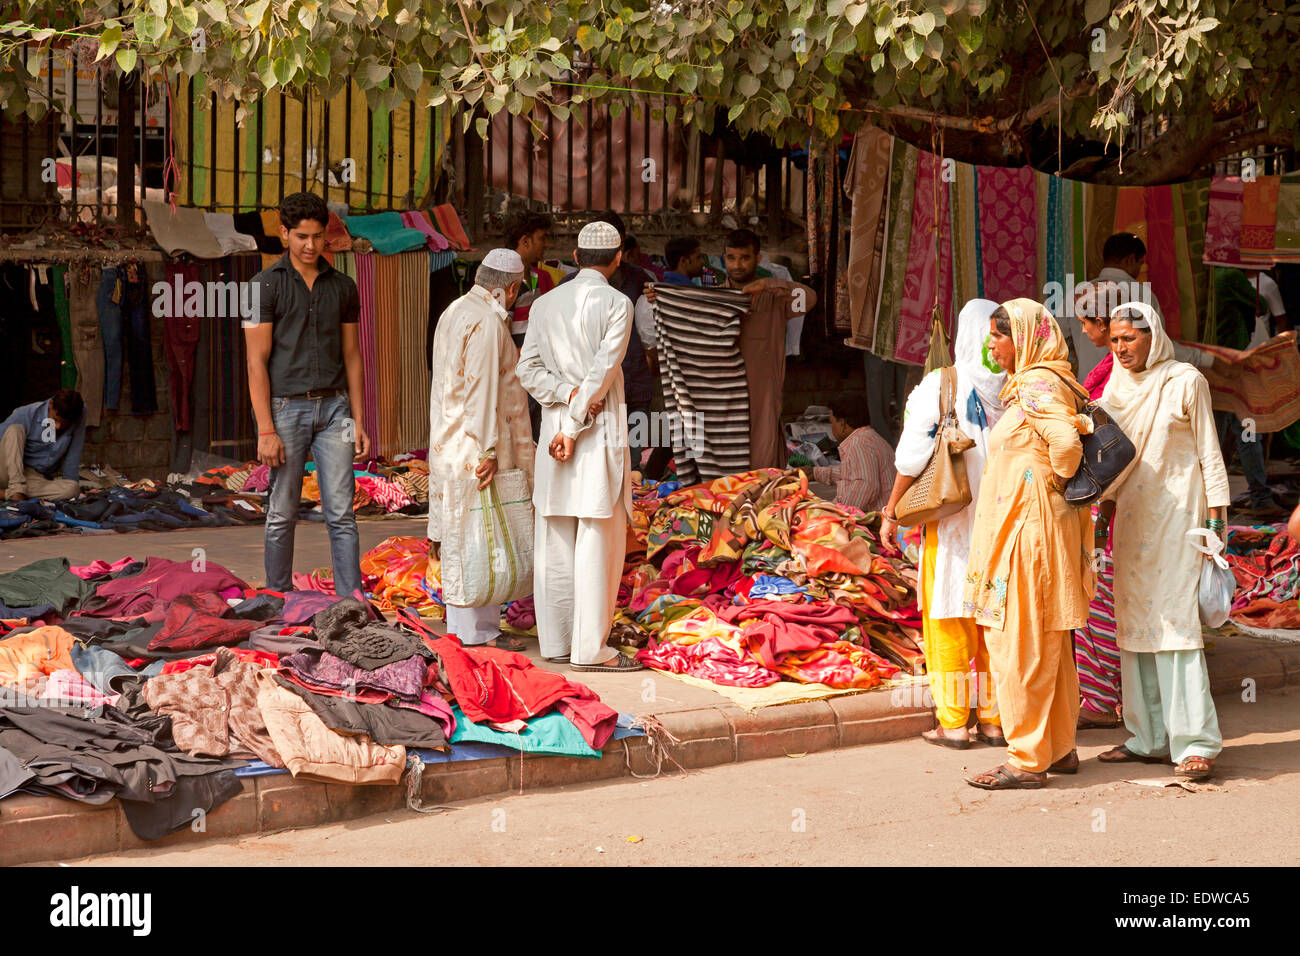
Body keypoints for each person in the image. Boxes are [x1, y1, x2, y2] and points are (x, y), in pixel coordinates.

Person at [963, 299, 1095, 790]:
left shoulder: (1037, 382)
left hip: (1029, 529)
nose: (991, 343)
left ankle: (1025, 759)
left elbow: (1064, 444)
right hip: (1038, 526)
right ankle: (1058, 748)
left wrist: (1049, 485)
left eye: (999, 335)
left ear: (1023, 338)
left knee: (1017, 641)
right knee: (1047, 638)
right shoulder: (1046, 379)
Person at [1095, 301, 1229, 781]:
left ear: (1153, 336)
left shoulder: (1185, 380)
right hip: (1131, 518)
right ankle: (1147, 738)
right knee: (1135, 625)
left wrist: (1217, 523)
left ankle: (1195, 743)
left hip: (1178, 518)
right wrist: (1103, 512)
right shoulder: (1114, 386)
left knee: (1175, 626)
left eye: (1129, 338)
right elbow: (1111, 460)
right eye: (1114, 340)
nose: (1120, 348)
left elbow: (1209, 452)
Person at [517, 219, 644, 672]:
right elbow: (602, 374)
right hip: (587, 432)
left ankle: (556, 642)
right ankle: (590, 649)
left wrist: (564, 404)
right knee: (595, 537)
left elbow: (527, 370)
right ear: (617, 258)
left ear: (574, 258)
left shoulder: (546, 302)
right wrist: (574, 421)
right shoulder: (617, 303)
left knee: (555, 537)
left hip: (555, 427)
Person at [880, 299, 1007, 749]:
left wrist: (891, 509)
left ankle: (953, 723)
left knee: (950, 616)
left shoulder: (942, 383)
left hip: (953, 521)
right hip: (1002, 522)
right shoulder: (1015, 385)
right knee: (993, 618)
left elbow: (912, 457)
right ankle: (994, 720)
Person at [247, 191, 370, 599]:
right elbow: (255, 361)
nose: (310, 245)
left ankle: (352, 603)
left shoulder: (345, 287)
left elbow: (353, 356)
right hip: (285, 410)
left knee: (342, 513)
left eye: (318, 236)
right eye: (301, 236)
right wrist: (266, 428)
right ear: (284, 233)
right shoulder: (259, 288)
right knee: (281, 513)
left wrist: (359, 418)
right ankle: (277, 598)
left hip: (336, 409)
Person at [427, 248, 536, 653]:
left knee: (466, 532)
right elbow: (483, 388)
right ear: (511, 288)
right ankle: (478, 633)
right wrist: (488, 449)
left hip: (451, 440)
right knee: (479, 537)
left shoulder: (454, 309)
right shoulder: (488, 321)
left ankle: (472, 629)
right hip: (476, 444)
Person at [559, 212, 655, 474]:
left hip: (634, 384)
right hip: (589, 394)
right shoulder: (567, 286)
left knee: (632, 465)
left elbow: (656, 329)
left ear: (620, 249)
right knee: (595, 465)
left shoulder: (641, 280)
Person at [723, 228, 818, 470]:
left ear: (758, 258)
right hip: (724, 394)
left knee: (762, 460)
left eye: (744, 257)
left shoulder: (776, 298)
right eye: (731, 258)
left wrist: (770, 284)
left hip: (764, 392)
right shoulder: (716, 298)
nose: (737, 265)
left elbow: (808, 298)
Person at [1212, 265, 1287, 514]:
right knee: (1248, 432)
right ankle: (1260, 497)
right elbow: (1263, 308)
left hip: (1213, 367)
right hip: (1237, 368)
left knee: (1218, 436)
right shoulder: (1231, 276)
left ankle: (1215, 500)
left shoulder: (1209, 275)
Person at [1070, 232, 1157, 380]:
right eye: (1140, 264)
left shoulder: (1075, 294)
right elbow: (1156, 342)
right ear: (1130, 260)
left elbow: (1055, 338)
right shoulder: (1143, 295)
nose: (1083, 330)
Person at [812, 394, 896, 514]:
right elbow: (851, 472)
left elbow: (866, 485)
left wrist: (837, 514)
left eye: (832, 423)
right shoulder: (869, 437)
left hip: (880, 518)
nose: (832, 428)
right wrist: (815, 473)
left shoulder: (858, 444)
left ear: (842, 424)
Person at [0, 389, 86, 501]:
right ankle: (16, 491)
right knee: (15, 430)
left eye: (65, 424)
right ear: (50, 405)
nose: (58, 427)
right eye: (55, 419)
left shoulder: (78, 414)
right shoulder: (25, 414)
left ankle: (7, 494)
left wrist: (70, 489)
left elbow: (74, 454)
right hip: (5, 469)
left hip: (31, 477)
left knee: (72, 489)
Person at [503, 210, 557, 349]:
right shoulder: (504, 279)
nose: (546, 244)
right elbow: (501, 331)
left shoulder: (543, 277)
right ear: (525, 241)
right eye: (542, 238)